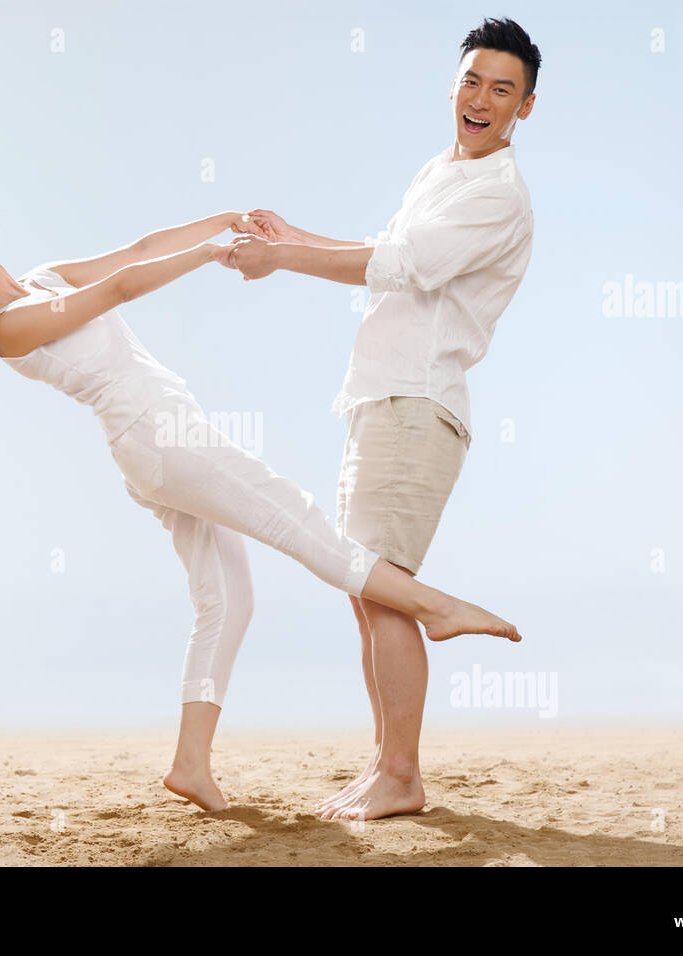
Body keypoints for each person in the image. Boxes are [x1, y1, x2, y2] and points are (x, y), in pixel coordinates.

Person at [0, 201, 520, 813]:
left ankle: (190, 764)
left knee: (227, 599)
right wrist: (210, 253)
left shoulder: (40, 279)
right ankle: (434, 607)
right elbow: (116, 290)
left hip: (154, 449)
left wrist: (223, 219)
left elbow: (138, 250)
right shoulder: (7, 328)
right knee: (297, 522)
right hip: (164, 444)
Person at [226, 16, 541, 821]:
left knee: (386, 590)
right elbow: (385, 246)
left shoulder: (496, 196)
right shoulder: (442, 171)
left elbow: (400, 266)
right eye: (472, 80)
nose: (481, 98)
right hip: (381, 400)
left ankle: (401, 774)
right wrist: (296, 234)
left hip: (416, 404)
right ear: (453, 86)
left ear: (525, 108)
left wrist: (282, 258)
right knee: (370, 591)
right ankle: (388, 766)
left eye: (502, 88)